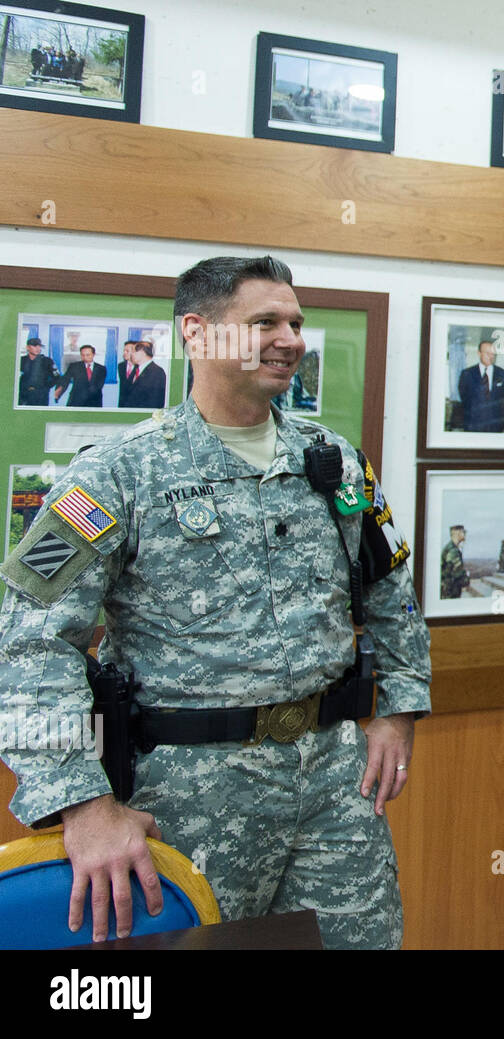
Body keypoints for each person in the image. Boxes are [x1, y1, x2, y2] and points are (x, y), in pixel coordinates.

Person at [0, 255, 432, 949]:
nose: (291, 338)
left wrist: (400, 707)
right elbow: (28, 640)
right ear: (197, 334)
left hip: (334, 790)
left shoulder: (334, 461)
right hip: (186, 798)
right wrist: (80, 802)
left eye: (295, 322)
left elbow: (390, 587)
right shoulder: (118, 471)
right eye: (265, 321)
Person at [456, 338, 504, 432]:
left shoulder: (502, 373)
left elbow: (503, 396)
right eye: (487, 353)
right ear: (479, 353)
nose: (491, 356)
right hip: (472, 423)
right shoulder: (467, 373)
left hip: (495, 424)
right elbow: (464, 397)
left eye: (493, 354)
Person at [122, 340, 166, 410]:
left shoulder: (157, 372)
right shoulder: (136, 369)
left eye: (133, 352)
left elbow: (155, 401)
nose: (131, 355)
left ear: (142, 352)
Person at [18, 337, 59, 406]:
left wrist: (46, 387)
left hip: (41, 395)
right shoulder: (21, 360)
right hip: (24, 394)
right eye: (34, 346)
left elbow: (57, 376)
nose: (38, 348)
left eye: (39, 346)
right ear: (28, 347)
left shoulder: (47, 361)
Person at [441, 524, 470, 599]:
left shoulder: (451, 548)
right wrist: (466, 578)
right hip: (450, 592)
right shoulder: (453, 551)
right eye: (463, 532)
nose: (465, 534)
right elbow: (458, 573)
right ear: (458, 533)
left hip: (448, 590)